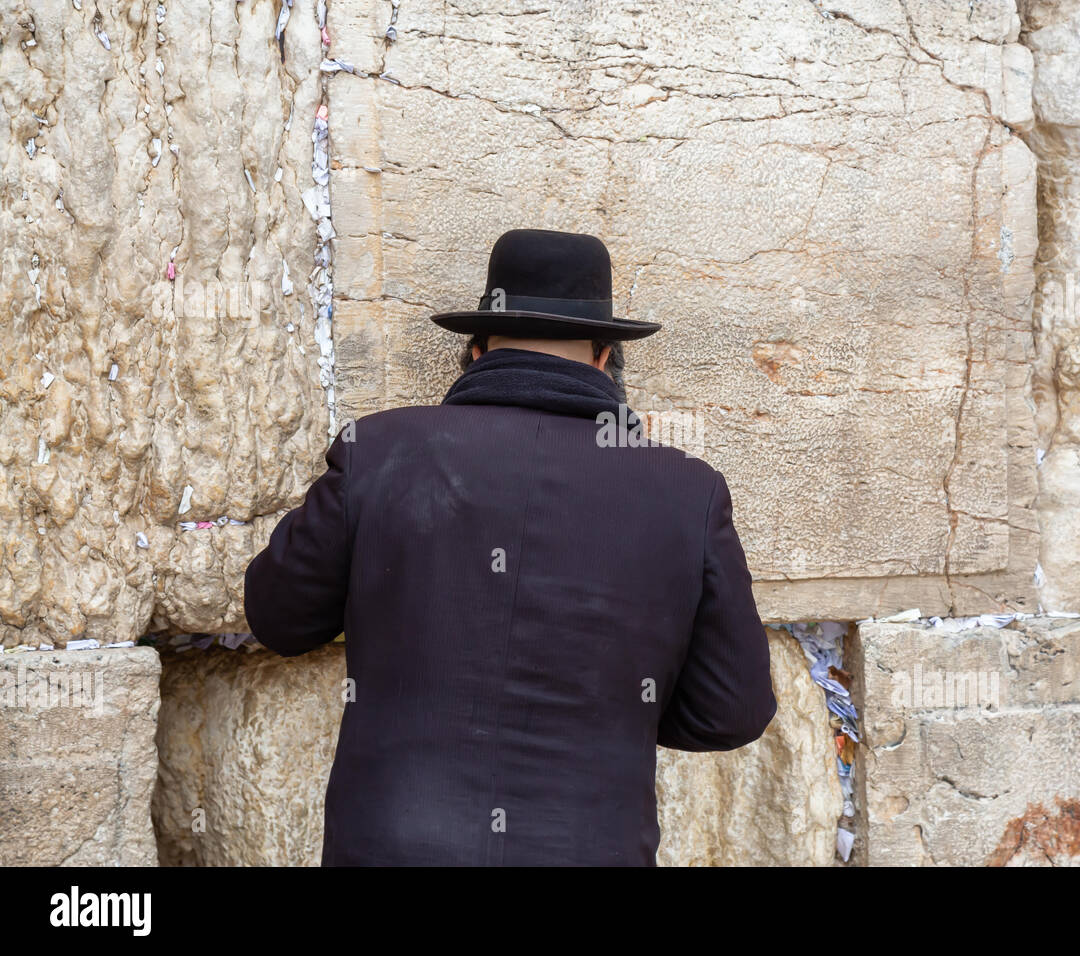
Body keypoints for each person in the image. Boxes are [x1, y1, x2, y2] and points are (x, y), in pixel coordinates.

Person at [243, 228, 777, 865]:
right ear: (606, 357)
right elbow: (732, 712)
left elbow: (279, 617)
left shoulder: (380, 451)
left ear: (474, 349)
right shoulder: (689, 492)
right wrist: (607, 713)